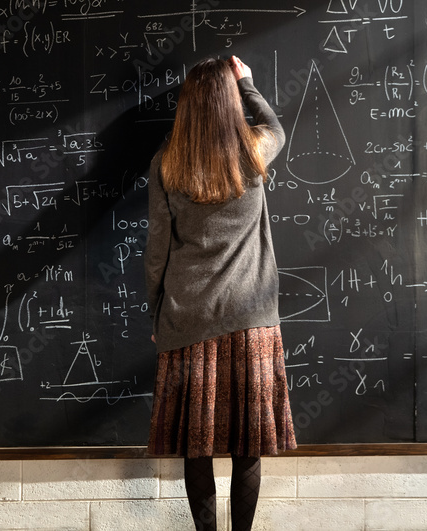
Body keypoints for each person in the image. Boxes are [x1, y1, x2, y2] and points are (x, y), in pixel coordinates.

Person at [145, 55, 296, 531]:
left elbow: (156, 251)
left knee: (198, 445)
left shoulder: (167, 163)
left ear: (186, 106)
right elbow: (276, 127)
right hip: (251, 319)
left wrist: (156, 318)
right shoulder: (254, 152)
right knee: (246, 446)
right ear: (230, 103)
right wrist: (247, 83)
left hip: (187, 321)